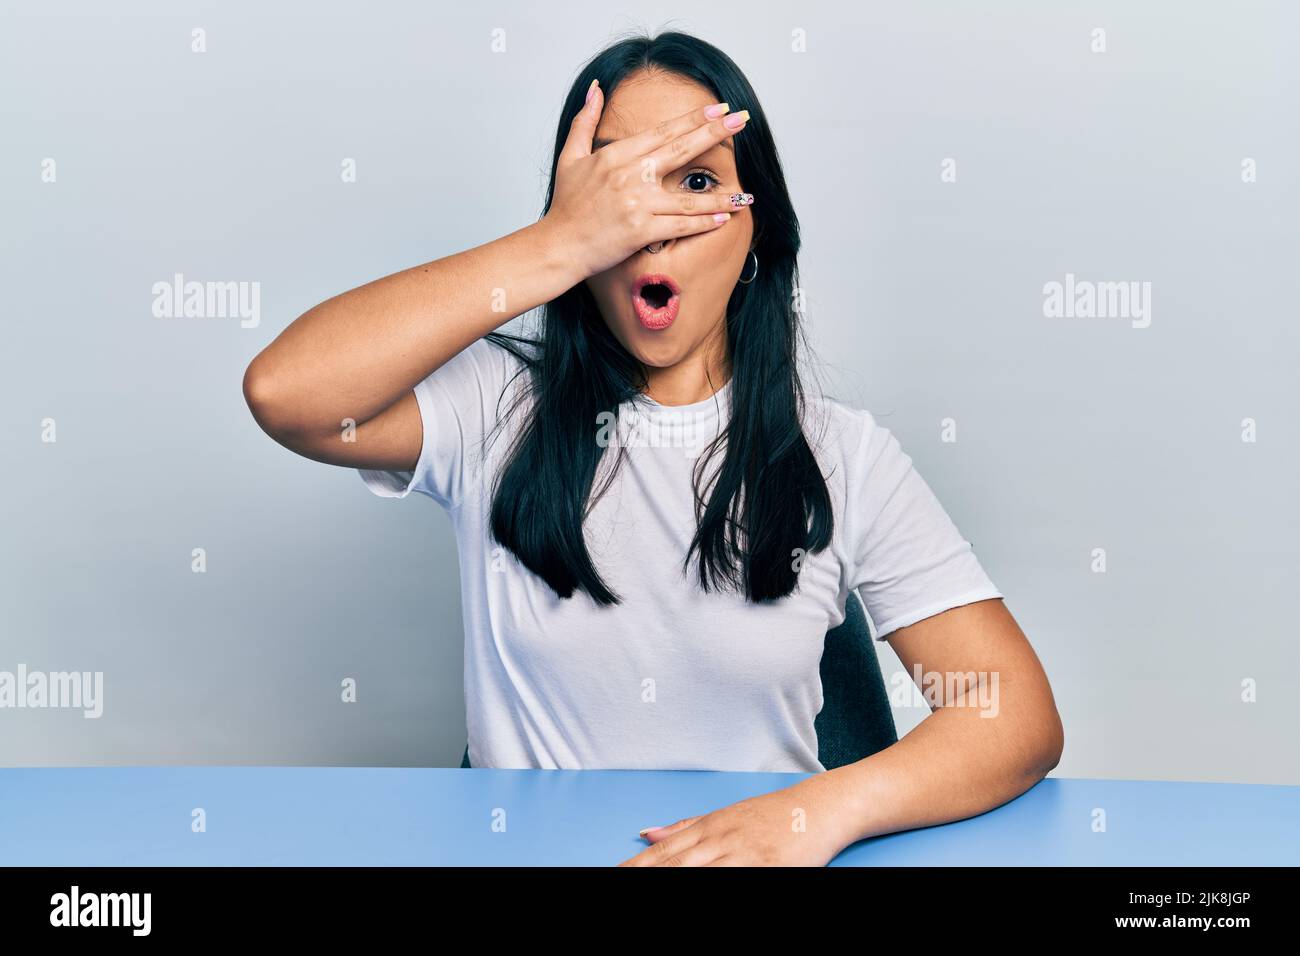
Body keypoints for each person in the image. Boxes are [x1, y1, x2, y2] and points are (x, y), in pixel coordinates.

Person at [243, 30, 1063, 867]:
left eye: (696, 182)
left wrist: (814, 814)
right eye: (619, 189)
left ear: (756, 235)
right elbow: (288, 394)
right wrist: (559, 244)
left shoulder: (844, 454)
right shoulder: (491, 408)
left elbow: (1014, 714)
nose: (651, 225)